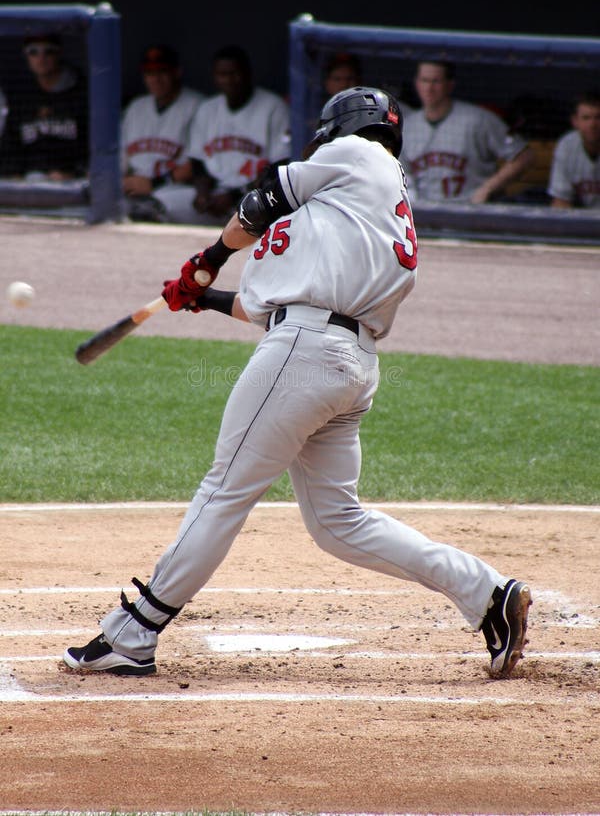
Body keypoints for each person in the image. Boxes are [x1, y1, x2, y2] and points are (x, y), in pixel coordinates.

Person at [62, 86, 532, 681]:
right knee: (339, 522)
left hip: (305, 355)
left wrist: (210, 253)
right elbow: (270, 307)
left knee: (225, 488)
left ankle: (134, 634)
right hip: (346, 362)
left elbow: (259, 204)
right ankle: (489, 592)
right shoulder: (359, 209)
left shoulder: (360, 154)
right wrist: (203, 297)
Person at [171, 44, 291, 226]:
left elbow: (279, 166)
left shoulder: (274, 107)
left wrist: (235, 195)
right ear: (215, 77)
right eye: (222, 75)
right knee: (158, 205)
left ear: (248, 73)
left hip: (256, 195)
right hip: (215, 194)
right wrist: (203, 194)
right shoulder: (207, 109)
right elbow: (198, 162)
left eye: (234, 73)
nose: (229, 80)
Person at [401, 60, 534, 204]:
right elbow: (403, 173)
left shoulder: (478, 119)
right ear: (417, 83)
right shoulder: (408, 126)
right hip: (426, 214)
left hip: (469, 213)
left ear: (450, 85)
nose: (429, 88)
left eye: (436, 81)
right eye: (425, 81)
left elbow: (523, 155)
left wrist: (487, 189)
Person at [120, 44, 206, 222]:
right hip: (136, 185)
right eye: (150, 73)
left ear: (177, 72)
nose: (156, 79)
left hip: (174, 188)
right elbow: (120, 158)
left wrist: (152, 184)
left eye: (162, 72)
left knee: (152, 208)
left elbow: (196, 165)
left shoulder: (198, 106)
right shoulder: (136, 107)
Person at [0, 33, 88, 180]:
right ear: (26, 57)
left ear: (59, 54)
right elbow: (11, 147)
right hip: (30, 182)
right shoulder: (20, 97)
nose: (41, 58)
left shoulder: (82, 93)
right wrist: (15, 177)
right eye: (33, 52)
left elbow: (92, 146)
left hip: (74, 183)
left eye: (49, 51)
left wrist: (73, 174)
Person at [548, 90, 600, 209]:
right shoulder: (567, 146)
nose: (592, 124)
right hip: (580, 219)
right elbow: (561, 201)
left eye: (598, 117)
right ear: (575, 121)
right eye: (586, 118)